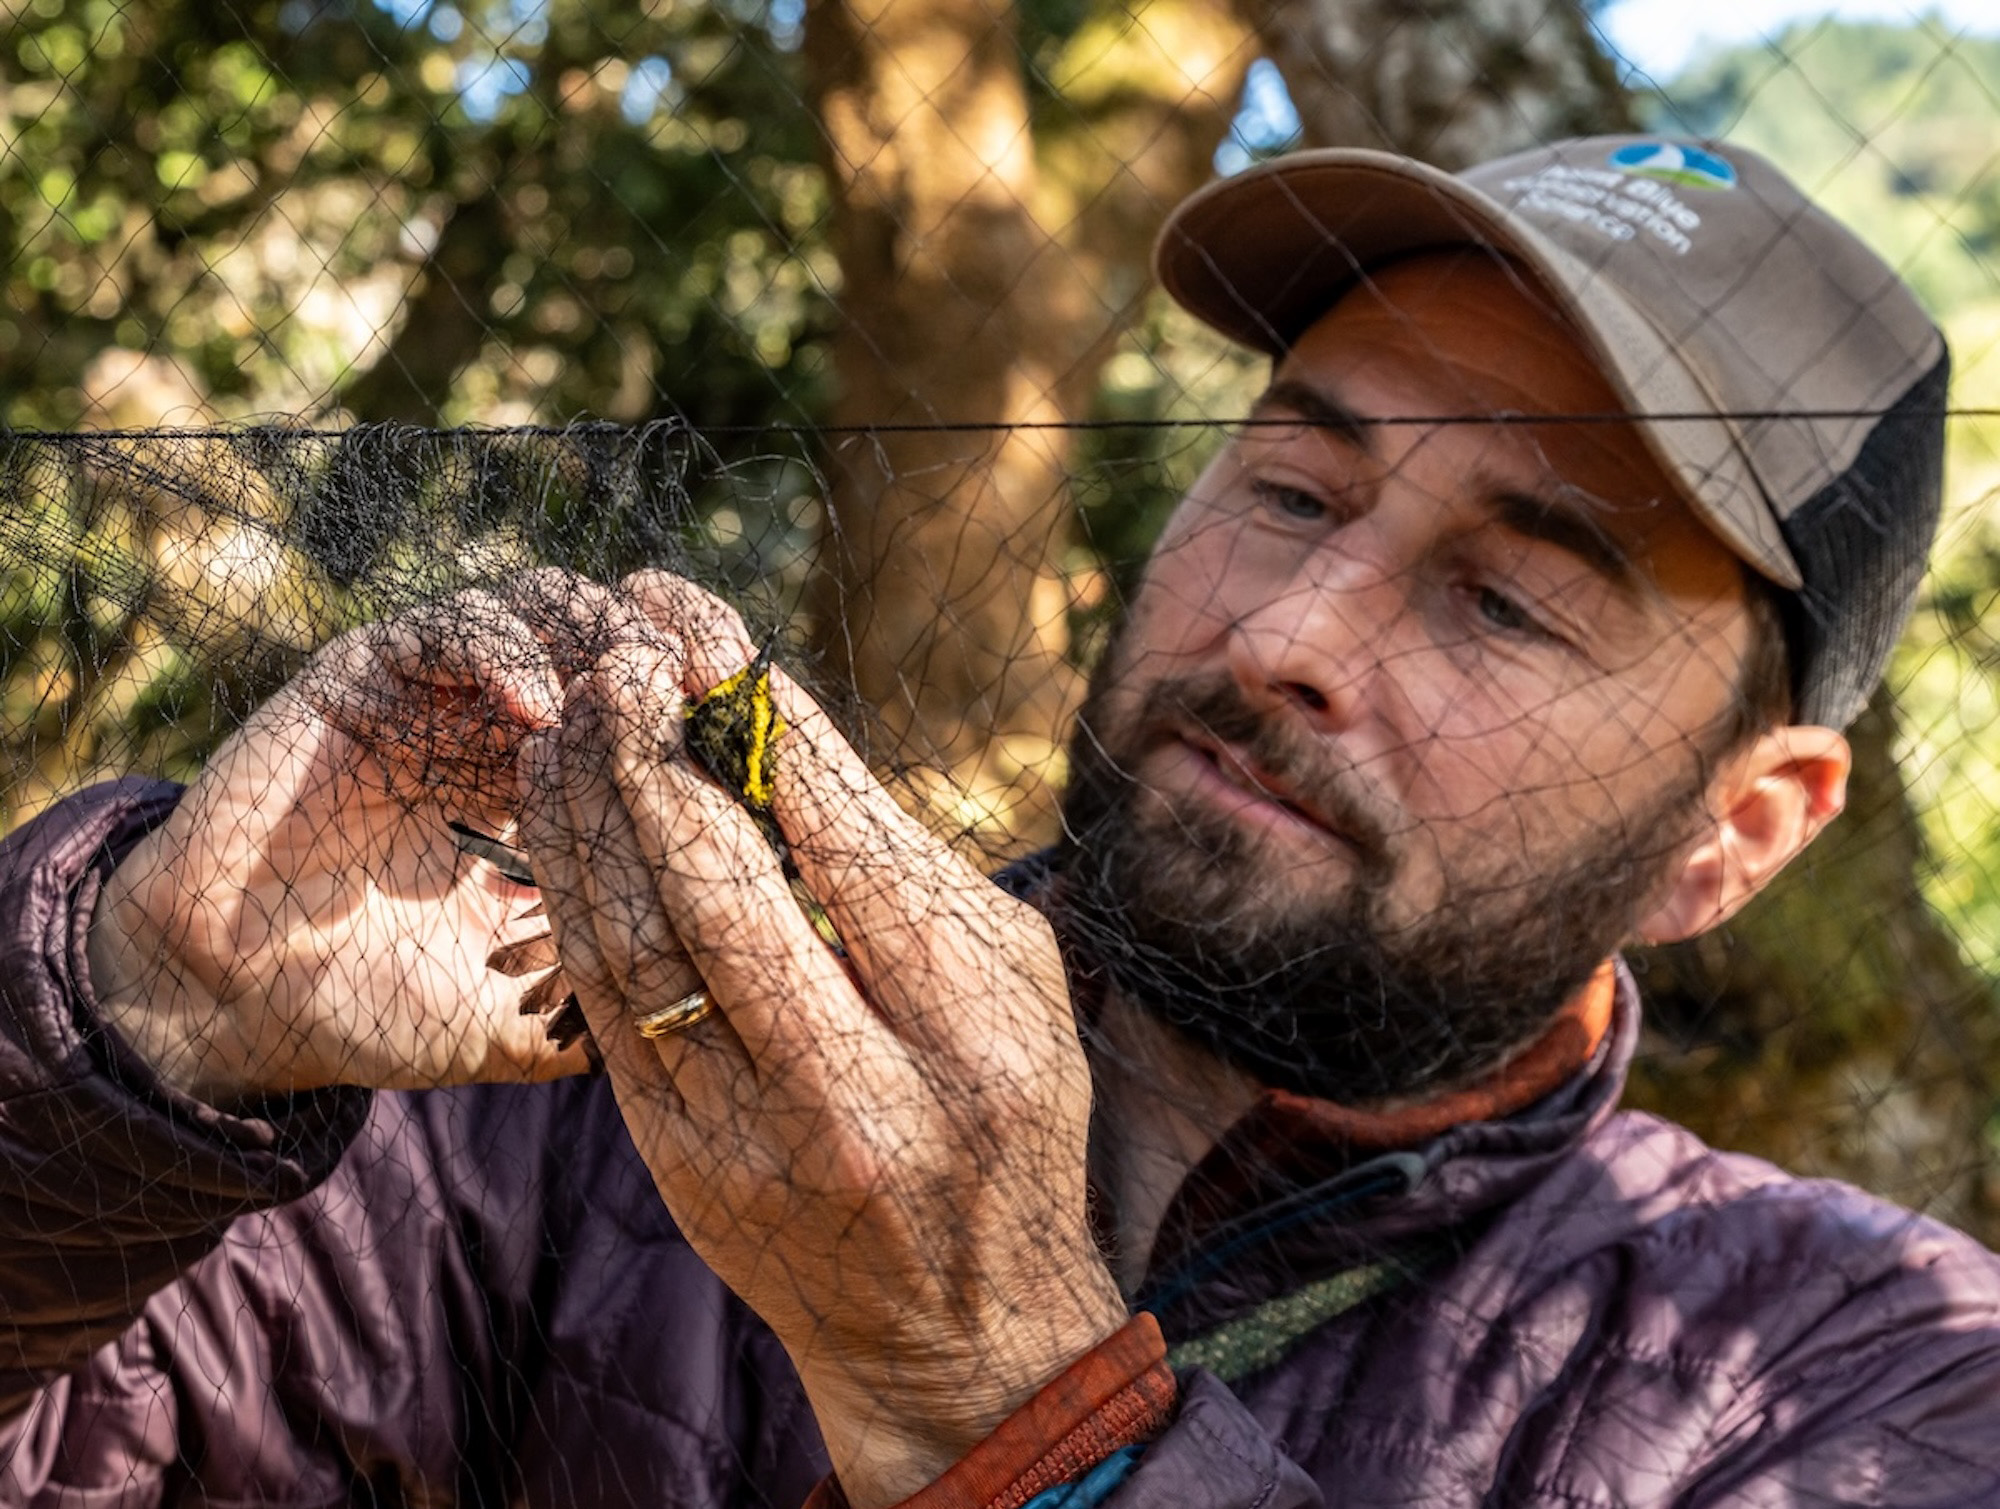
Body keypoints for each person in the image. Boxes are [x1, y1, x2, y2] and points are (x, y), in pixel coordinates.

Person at [3, 133, 1996, 1508]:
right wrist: (127, 1028)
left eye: (1506, 596)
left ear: (1728, 837)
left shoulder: (1855, 1376)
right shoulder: (583, 1060)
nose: (1289, 631)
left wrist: (1011, 1405)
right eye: (1291, 490)